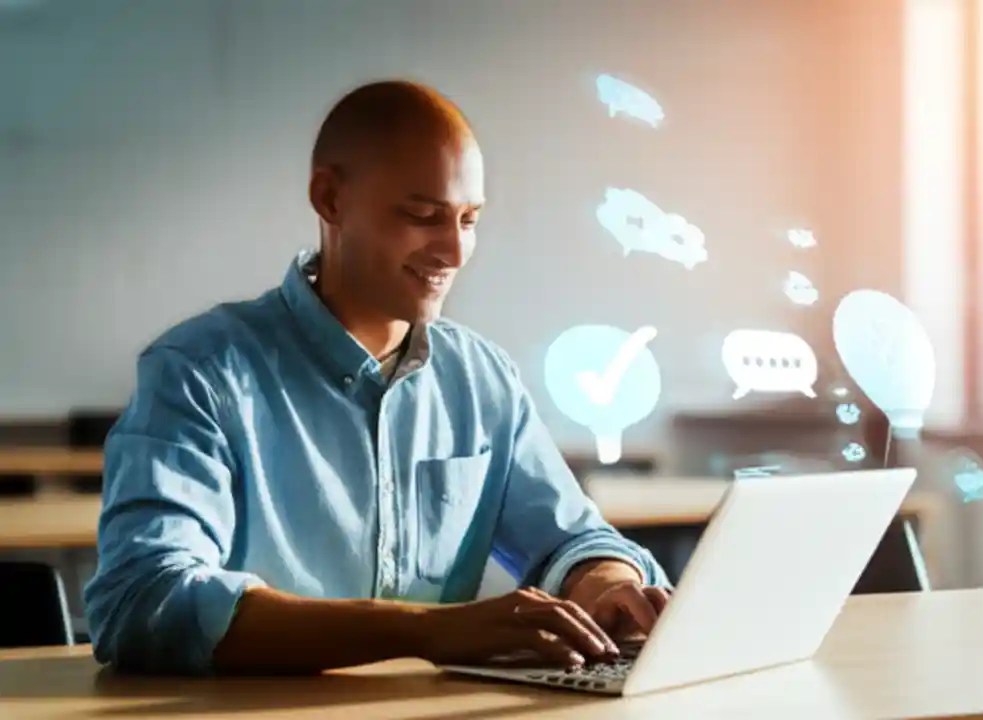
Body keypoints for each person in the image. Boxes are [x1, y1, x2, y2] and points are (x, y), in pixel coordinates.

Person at [84, 80, 671, 676]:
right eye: (423, 216)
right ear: (330, 199)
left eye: (469, 220)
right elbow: (144, 601)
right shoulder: (199, 370)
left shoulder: (481, 379)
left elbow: (573, 541)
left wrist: (607, 586)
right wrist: (423, 632)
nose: (455, 251)